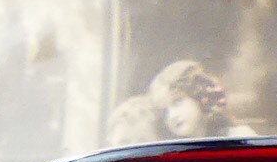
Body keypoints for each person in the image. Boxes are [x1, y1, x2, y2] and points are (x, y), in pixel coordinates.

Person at [105, 59, 251, 145]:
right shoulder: (176, 150)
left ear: (198, 95)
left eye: (177, 102)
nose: (172, 116)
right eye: (165, 112)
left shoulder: (237, 137)